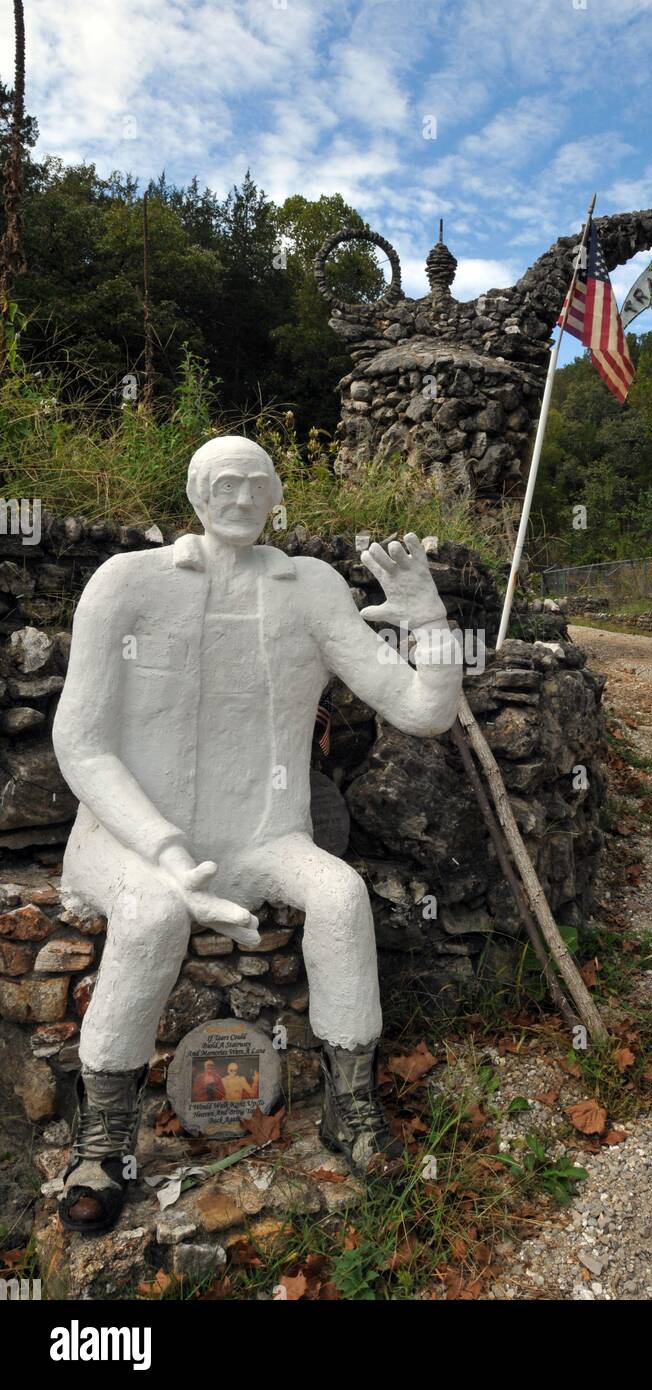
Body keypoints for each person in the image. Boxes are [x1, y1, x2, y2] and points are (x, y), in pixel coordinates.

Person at [52, 435, 462, 1233]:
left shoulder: (310, 590)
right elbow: (82, 743)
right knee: (151, 915)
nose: (237, 499)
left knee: (341, 897)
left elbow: (424, 710)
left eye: (254, 484)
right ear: (193, 494)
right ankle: (100, 1142)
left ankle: (351, 1107)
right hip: (129, 841)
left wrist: (430, 621)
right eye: (220, 483)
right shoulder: (125, 584)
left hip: (263, 835)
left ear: (277, 495)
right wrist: (168, 856)